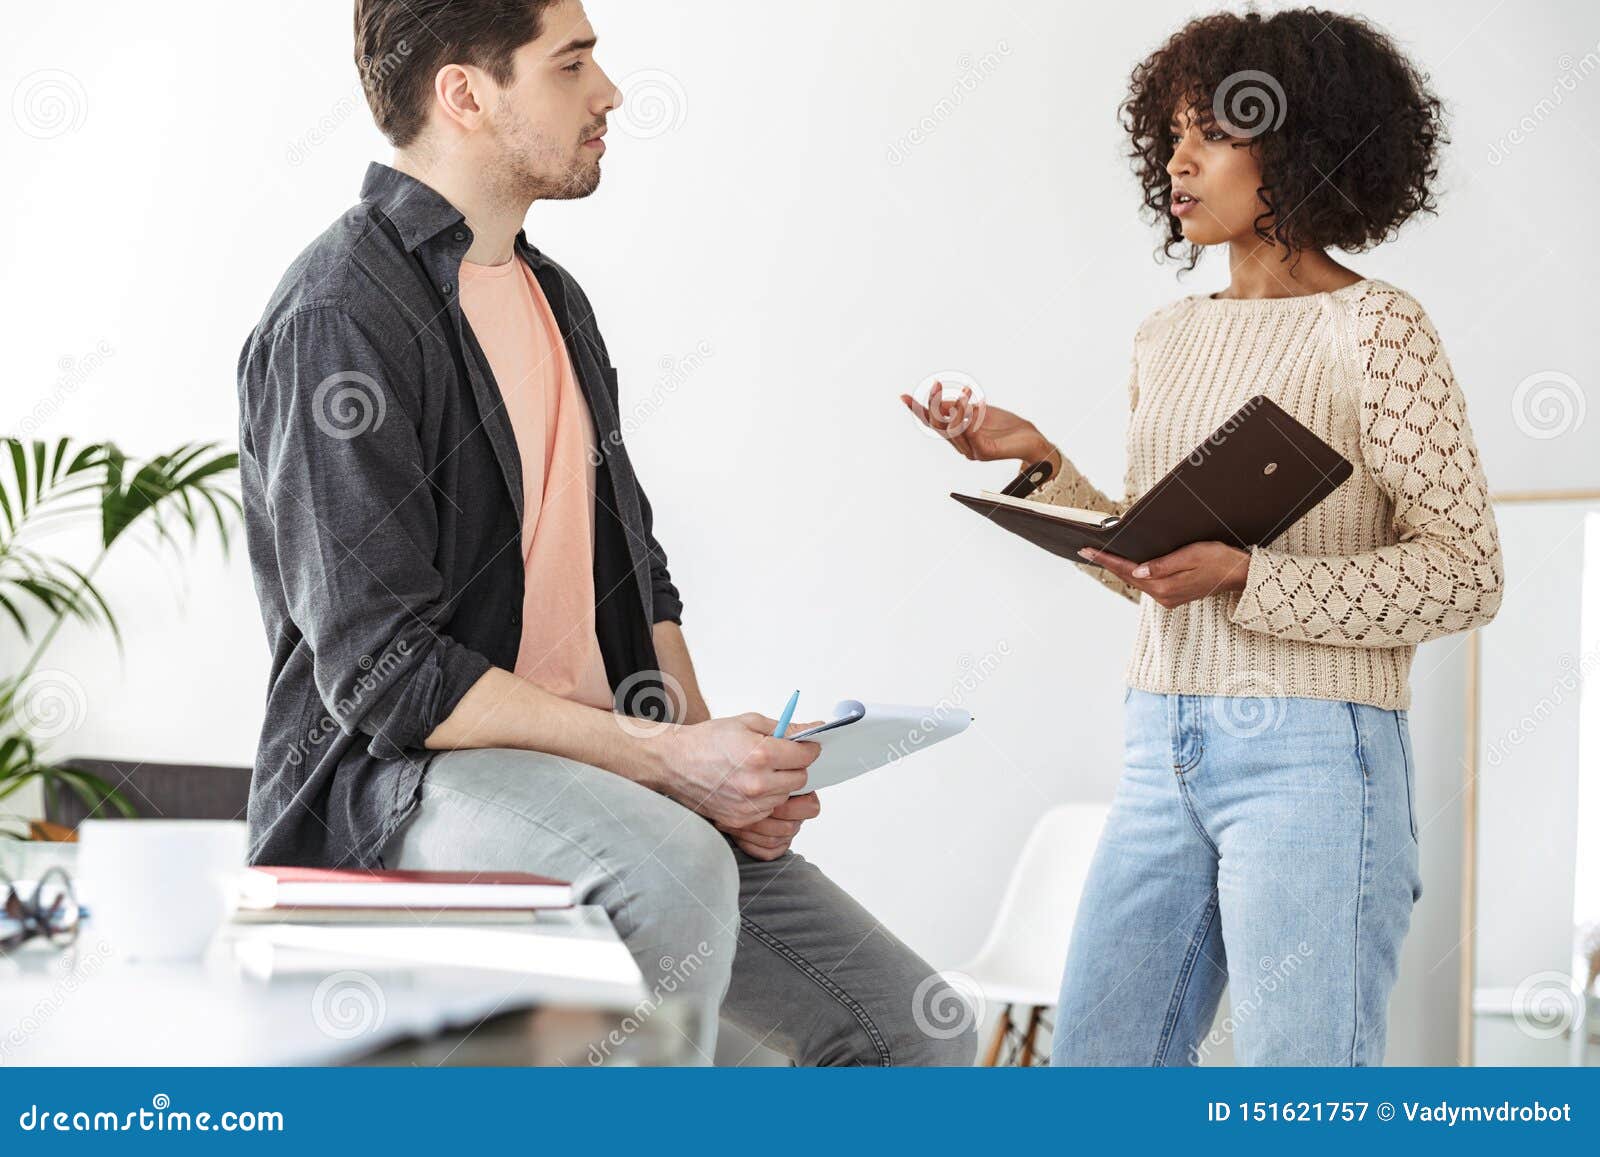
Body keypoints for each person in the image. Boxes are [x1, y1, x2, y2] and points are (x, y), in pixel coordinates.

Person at [236, 0, 974, 1067]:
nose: (610, 92)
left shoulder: (554, 299)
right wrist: (671, 758)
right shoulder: (339, 313)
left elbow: (640, 571)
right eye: (572, 62)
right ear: (465, 94)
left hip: (613, 773)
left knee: (916, 1034)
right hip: (399, 786)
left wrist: (724, 764)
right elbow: (386, 672)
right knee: (670, 868)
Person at [905, 8, 1503, 1065]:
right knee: (1102, 1067)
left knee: (1298, 1090)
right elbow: (1156, 564)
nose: (1176, 160)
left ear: (1301, 143)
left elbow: (1464, 575)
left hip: (1314, 752)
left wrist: (1252, 576)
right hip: (1158, 746)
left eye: (1213, 133)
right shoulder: (1169, 333)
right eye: (1170, 133)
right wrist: (1039, 462)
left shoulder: (1377, 327)